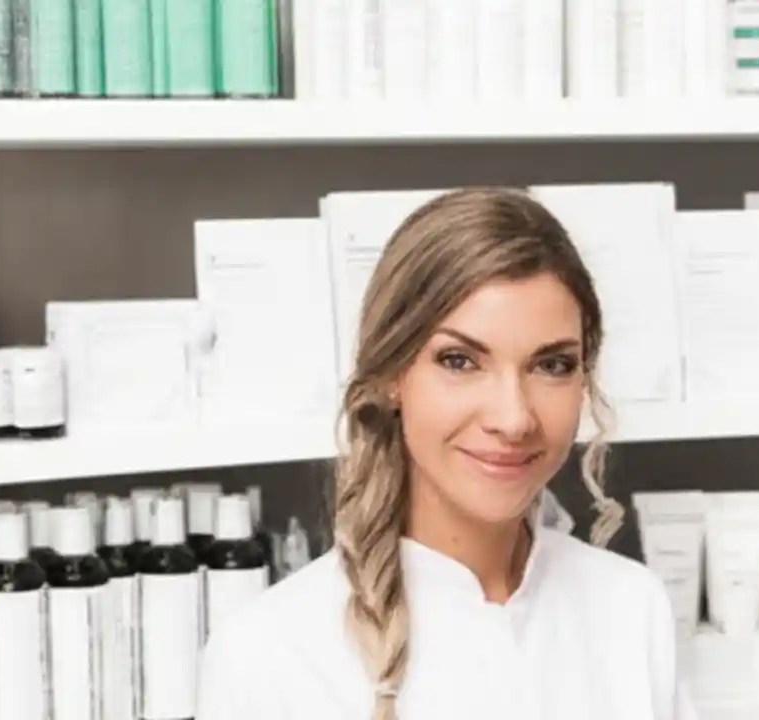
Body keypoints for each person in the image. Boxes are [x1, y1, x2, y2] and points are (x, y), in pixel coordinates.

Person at [197, 188, 696, 719]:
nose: (514, 418)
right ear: (392, 374)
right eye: (460, 361)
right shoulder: (269, 655)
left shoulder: (631, 609)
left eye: (551, 365)